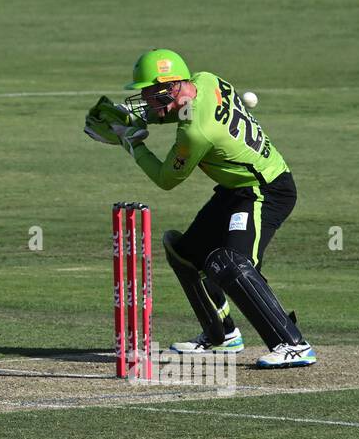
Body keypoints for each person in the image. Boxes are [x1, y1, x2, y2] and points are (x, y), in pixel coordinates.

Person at [85, 48, 316, 368]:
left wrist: (132, 143)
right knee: (184, 252)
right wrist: (139, 116)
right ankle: (221, 335)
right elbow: (179, 110)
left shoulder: (196, 132)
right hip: (235, 191)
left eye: (153, 92)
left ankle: (292, 343)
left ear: (173, 86)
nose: (148, 99)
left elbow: (166, 179)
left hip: (265, 191)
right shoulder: (206, 80)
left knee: (231, 263)